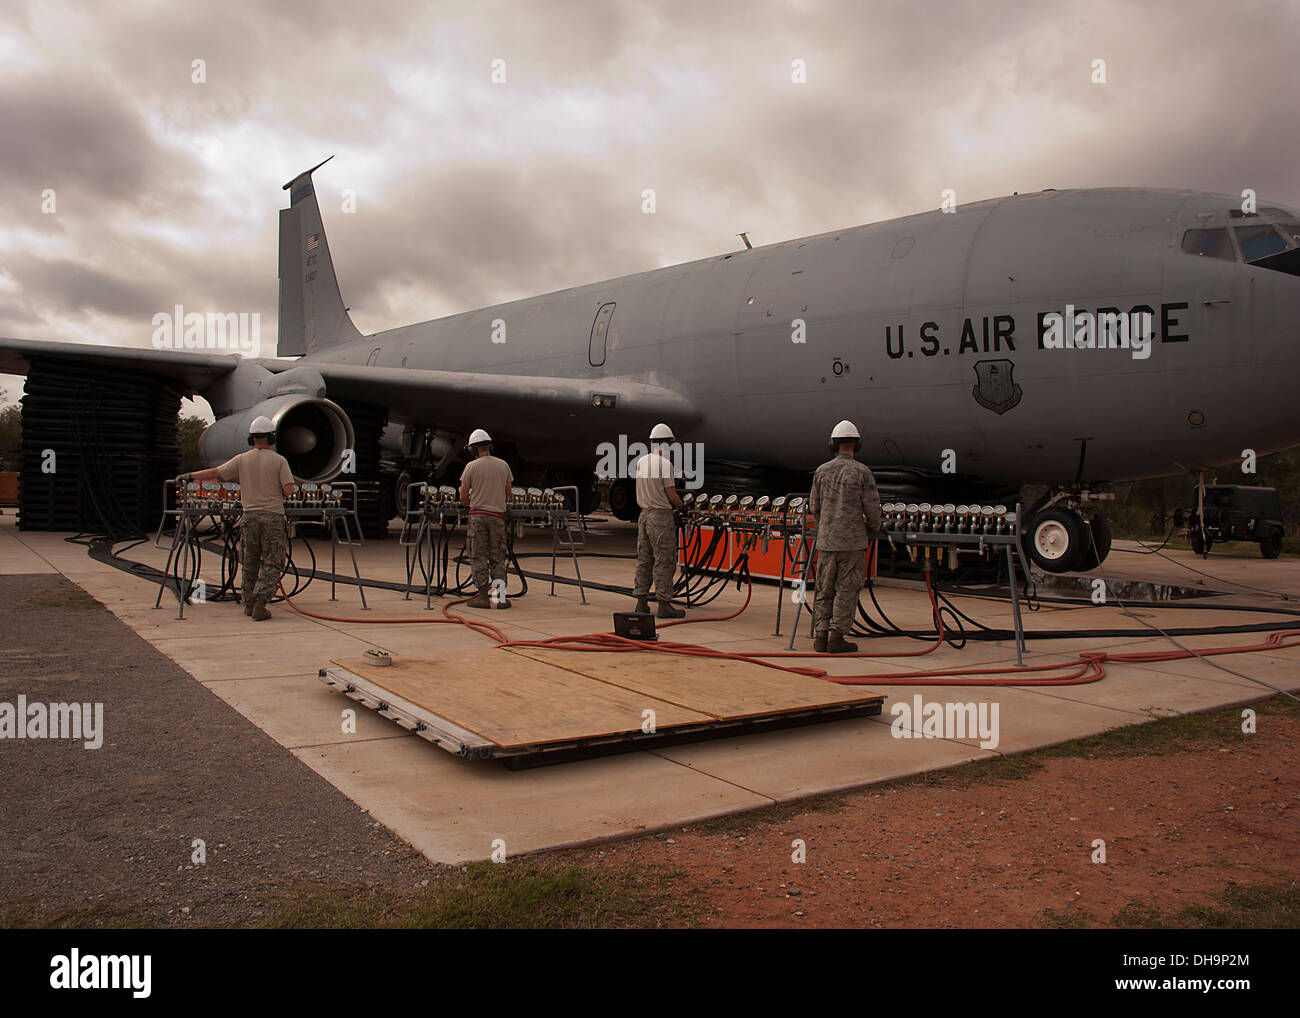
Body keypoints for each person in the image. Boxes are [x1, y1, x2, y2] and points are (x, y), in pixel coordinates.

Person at [178, 415, 295, 621]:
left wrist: (190, 476)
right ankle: (260, 604)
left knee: (249, 561)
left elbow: (215, 472)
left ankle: (248, 603)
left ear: (251, 438)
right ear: (271, 438)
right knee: (272, 562)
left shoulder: (241, 459)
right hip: (272, 517)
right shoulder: (279, 461)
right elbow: (288, 490)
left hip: (249, 517)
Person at [808, 420, 881, 653]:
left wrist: (827, 526)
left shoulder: (822, 471)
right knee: (846, 589)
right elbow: (872, 508)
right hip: (852, 543)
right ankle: (836, 637)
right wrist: (873, 528)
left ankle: (820, 635)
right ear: (856, 445)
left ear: (833, 444)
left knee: (824, 588)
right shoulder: (862, 472)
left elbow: (814, 506)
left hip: (827, 541)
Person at [632, 422, 686, 618]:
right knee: (665, 560)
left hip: (644, 515)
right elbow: (671, 495)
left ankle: (641, 603)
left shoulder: (642, 461)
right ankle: (664, 605)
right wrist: (683, 506)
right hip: (660, 517)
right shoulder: (665, 464)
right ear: (667, 443)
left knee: (644, 559)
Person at [459, 428, 514, 609]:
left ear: (473, 449)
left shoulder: (471, 467)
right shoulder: (503, 465)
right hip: (497, 517)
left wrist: (471, 504)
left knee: (478, 555)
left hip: (478, 517)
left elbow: (463, 494)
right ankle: (500, 598)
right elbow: (508, 493)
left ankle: (482, 597)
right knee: (498, 556)